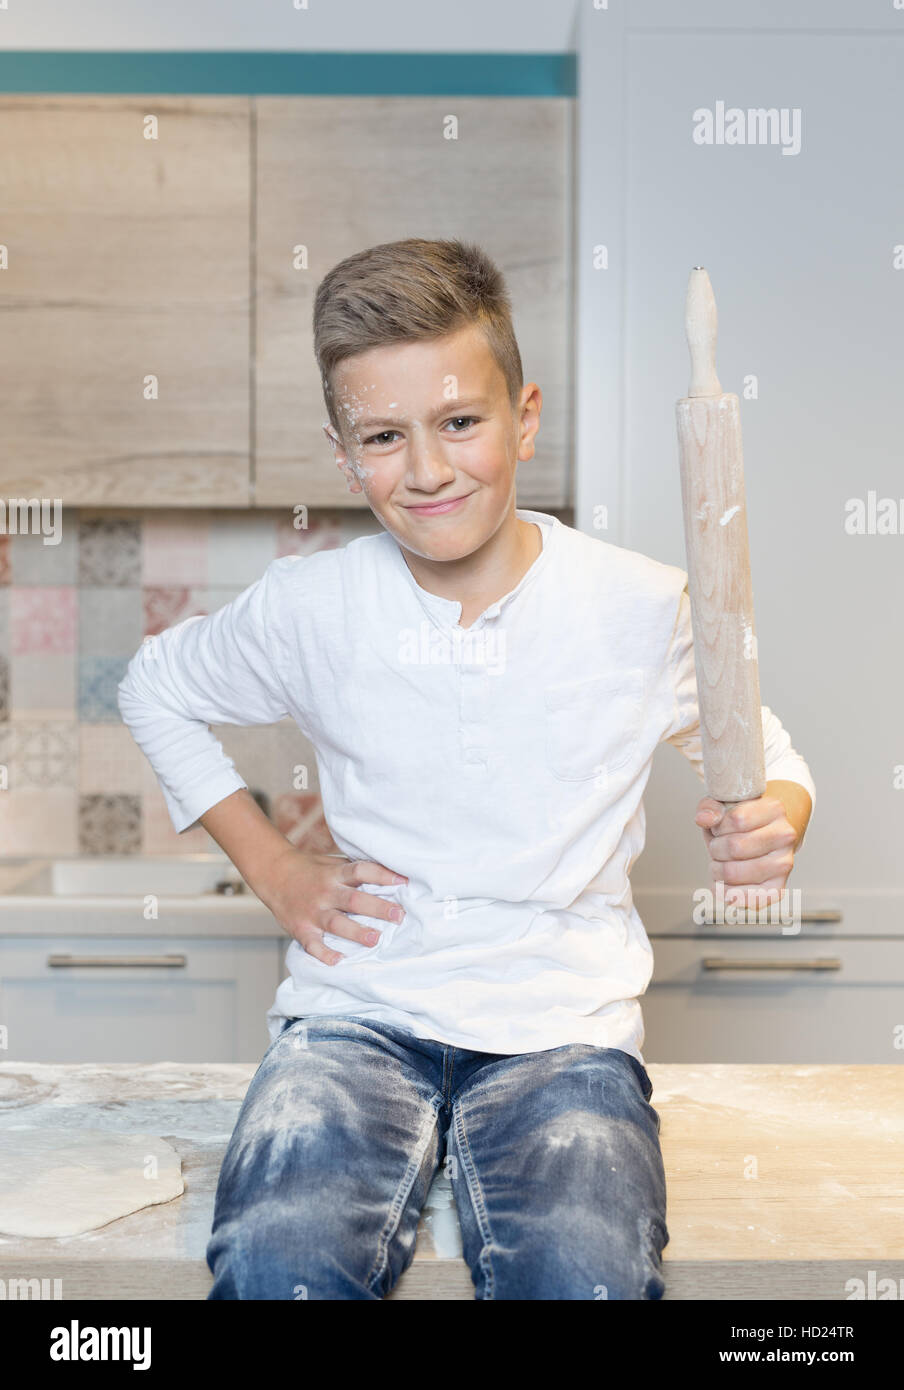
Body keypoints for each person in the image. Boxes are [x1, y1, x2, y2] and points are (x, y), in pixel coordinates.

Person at [117, 238, 815, 1300]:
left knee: (583, 1277)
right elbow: (155, 684)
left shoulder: (638, 606)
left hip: (564, 1031)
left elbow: (767, 762)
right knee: (277, 1261)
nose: (428, 469)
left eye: (459, 422)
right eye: (384, 436)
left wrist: (776, 819)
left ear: (523, 417)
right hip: (355, 1018)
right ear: (344, 452)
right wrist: (276, 868)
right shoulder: (315, 606)